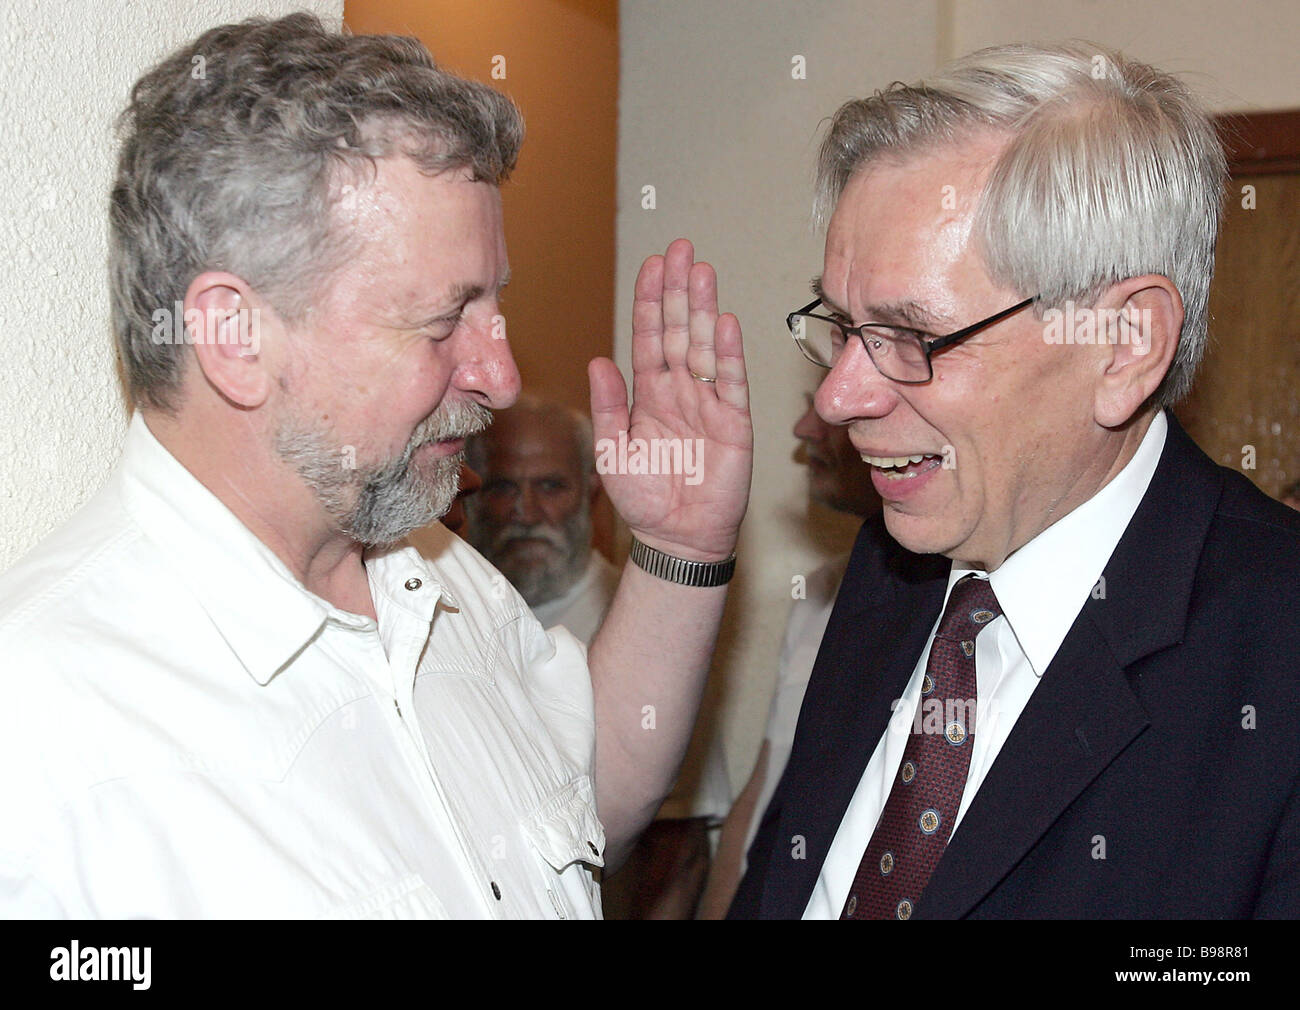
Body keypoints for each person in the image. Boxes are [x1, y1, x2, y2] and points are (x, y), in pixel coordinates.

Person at [0, 14, 752, 919]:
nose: (501, 380)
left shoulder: (441, 575)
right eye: (442, 324)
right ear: (234, 336)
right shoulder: (42, 736)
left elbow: (583, 795)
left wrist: (678, 547)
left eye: (492, 309)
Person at [731, 41, 1300, 920]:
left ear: (1123, 346)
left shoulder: (1275, 655)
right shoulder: (893, 572)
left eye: (911, 336)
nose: (839, 396)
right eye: (842, 325)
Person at [466, 397, 730, 918]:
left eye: (550, 486)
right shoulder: (440, 619)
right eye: (501, 486)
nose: (523, 511)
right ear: (472, 493)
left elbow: (678, 852)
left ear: (591, 489)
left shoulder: (649, 629)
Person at [699, 394, 877, 918]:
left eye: (828, 413)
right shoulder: (823, 594)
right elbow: (763, 791)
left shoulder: (964, 612)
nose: (803, 429)